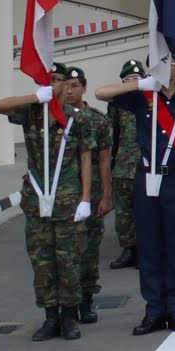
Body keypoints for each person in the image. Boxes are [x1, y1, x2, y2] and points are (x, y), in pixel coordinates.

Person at [95, 55, 175, 335]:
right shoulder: (142, 98)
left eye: (174, 65)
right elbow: (101, 93)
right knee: (149, 245)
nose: (170, 70)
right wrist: (141, 84)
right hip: (146, 177)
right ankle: (154, 309)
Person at [0, 65, 95, 341]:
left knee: (69, 261)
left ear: (69, 84)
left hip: (67, 201)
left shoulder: (77, 119)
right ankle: (50, 317)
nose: (54, 84)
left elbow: (86, 159)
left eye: (59, 80)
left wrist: (86, 199)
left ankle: (69, 316)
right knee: (42, 262)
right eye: (49, 80)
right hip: (37, 201)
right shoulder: (32, 113)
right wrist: (34, 98)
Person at [66, 68, 113, 324]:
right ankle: (65, 304)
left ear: (84, 88)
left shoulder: (97, 120)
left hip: (91, 191)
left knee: (89, 249)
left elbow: (104, 160)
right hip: (63, 192)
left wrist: (106, 195)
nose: (69, 91)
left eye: (75, 85)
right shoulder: (53, 117)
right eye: (66, 85)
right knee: (65, 252)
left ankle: (86, 299)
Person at [107, 59, 144, 270]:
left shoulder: (150, 101)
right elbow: (112, 135)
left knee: (144, 211)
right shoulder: (117, 104)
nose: (132, 83)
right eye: (128, 79)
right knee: (123, 213)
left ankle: (144, 250)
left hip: (144, 165)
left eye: (136, 79)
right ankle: (128, 249)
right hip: (122, 165)